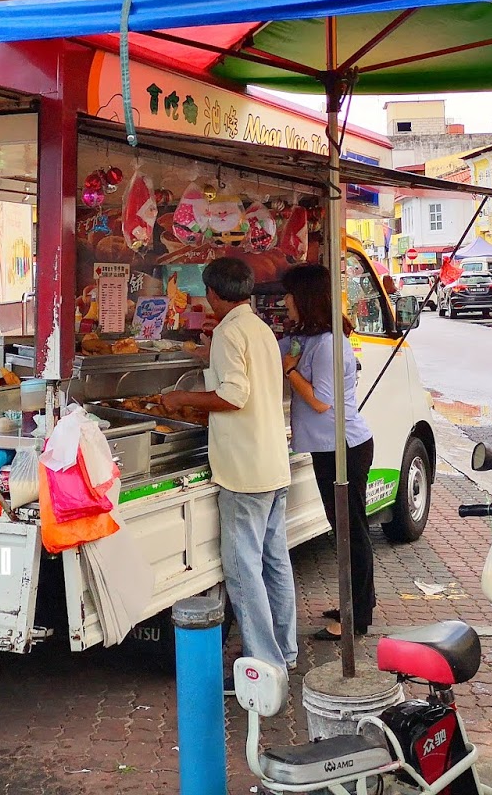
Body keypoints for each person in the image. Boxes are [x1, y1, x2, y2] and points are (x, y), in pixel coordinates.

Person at [157, 256, 297, 677]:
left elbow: (233, 395)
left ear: (213, 294)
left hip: (243, 472)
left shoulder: (229, 332)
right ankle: (285, 651)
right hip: (271, 463)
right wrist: (205, 354)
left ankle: (263, 664)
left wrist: (181, 400)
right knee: (275, 563)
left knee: (242, 571)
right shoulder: (259, 329)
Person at [279, 263, 375, 640]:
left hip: (344, 448)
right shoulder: (310, 338)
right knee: (346, 530)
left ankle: (356, 618)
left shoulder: (329, 344)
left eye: (289, 295)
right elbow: (277, 350)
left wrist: (290, 372)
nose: (284, 301)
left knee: (351, 532)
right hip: (328, 447)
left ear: (305, 298)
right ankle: (356, 603)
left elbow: (322, 402)